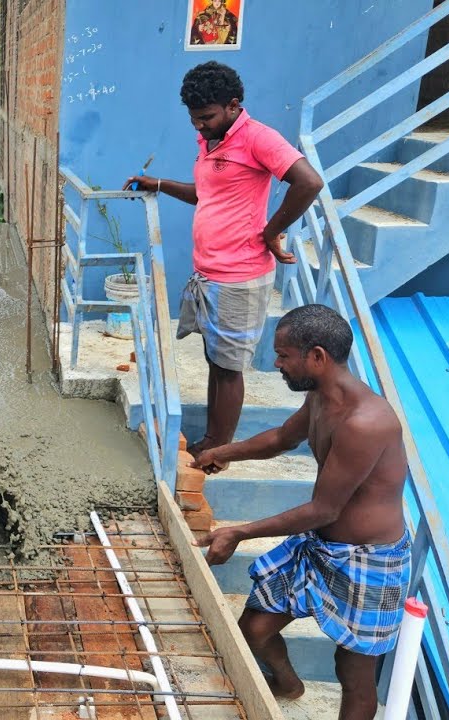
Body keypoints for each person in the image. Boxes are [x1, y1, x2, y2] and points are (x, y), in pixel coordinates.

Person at [192, 304, 411, 720]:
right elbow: (280, 438)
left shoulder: (366, 422)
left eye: (283, 355)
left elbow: (324, 509)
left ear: (317, 357)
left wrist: (240, 532)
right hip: (320, 545)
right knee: (255, 628)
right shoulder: (320, 397)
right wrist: (220, 453)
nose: (276, 364)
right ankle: (289, 684)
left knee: (353, 672)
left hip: (369, 559)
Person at [124, 62, 324, 456]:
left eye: (207, 117)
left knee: (229, 367)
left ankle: (219, 448)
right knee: (215, 359)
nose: (199, 126)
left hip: (240, 275)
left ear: (233, 106)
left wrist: (270, 230)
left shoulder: (257, 138)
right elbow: (206, 194)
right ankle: (214, 439)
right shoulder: (211, 142)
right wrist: (159, 184)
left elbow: (309, 182)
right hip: (209, 273)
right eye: (194, 119)